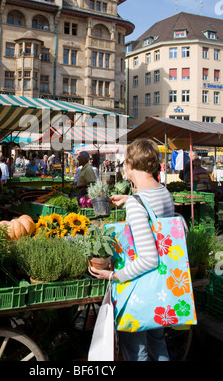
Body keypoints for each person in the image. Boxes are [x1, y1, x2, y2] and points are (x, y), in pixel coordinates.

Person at [89, 138, 174, 361]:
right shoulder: (165, 193)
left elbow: (148, 258)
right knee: (158, 343)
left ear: (131, 165)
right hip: (159, 286)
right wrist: (130, 199)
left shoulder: (138, 204)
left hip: (138, 288)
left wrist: (114, 275)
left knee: (137, 352)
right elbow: (156, 221)